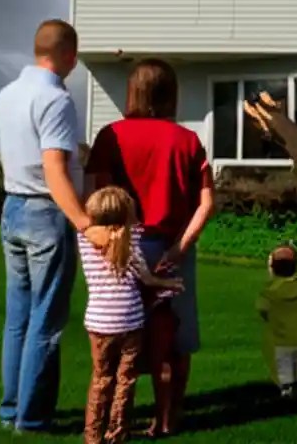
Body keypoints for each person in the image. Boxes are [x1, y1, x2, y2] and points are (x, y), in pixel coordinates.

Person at [85, 58, 216, 437]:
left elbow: (102, 199)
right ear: (171, 95)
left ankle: (112, 424)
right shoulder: (187, 140)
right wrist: (178, 249)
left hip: (124, 248)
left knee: (123, 338)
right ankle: (167, 419)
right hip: (173, 249)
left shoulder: (111, 136)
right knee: (175, 340)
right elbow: (206, 203)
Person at [0, 19, 107, 432]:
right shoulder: (55, 99)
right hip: (46, 212)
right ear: (68, 55)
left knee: (18, 318)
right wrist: (83, 222)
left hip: (12, 208)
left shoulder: (7, 95)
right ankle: (34, 416)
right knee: (46, 320)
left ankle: (11, 411)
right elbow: (54, 169)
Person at [79, 186, 183, 444]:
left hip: (99, 323)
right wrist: (167, 283)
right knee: (125, 380)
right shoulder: (133, 238)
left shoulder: (85, 241)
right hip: (131, 322)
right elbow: (146, 278)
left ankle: (93, 435)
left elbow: (83, 225)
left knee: (101, 378)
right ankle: (118, 433)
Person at [257, 243, 297, 398]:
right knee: (295, 360)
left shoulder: (271, 291)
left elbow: (262, 308)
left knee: (283, 362)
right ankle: (294, 384)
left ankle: (287, 389)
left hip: (280, 335)